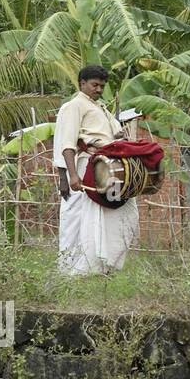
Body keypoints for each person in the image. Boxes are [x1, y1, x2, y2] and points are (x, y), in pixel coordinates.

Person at [54, 65, 140, 276]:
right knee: (76, 217)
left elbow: (115, 134)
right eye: (95, 85)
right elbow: (67, 144)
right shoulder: (73, 106)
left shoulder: (101, 106)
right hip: (86, 166)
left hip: (107, 165)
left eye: (102, 86)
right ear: (82, 83)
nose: (99, 89)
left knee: (109, 213)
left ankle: (100, 266)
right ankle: (71, 270)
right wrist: (69, 175)